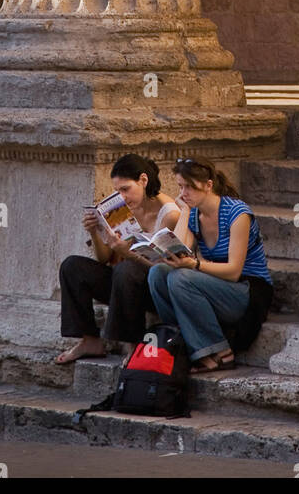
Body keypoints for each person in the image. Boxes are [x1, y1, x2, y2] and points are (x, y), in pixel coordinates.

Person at [56, 153, 187, 364]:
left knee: (126, 269)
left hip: (154, 290)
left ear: (143, 180)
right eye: (118, 191)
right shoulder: (122, 208)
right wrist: (95, 232)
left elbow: (167, 268)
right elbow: (103, 259)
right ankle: (90, 340)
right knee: (72, 266)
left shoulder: (170, 214)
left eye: (126, 189)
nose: (122, 197)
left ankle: (132, 344)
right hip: (123, 284)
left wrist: (127, 254)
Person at [147, 156, 273, 371]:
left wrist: (194, 265)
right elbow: (178, 247)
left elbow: (234, 271)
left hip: (247, 290)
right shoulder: (194, 212)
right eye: (180, 187)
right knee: (158, 273)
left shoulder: (237, 213)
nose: (183, 193)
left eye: (189, 187)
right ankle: (182, 339)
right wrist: (185, 212)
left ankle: (218, 351)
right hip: (215, 284)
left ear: (208, 185)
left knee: (180, 277)